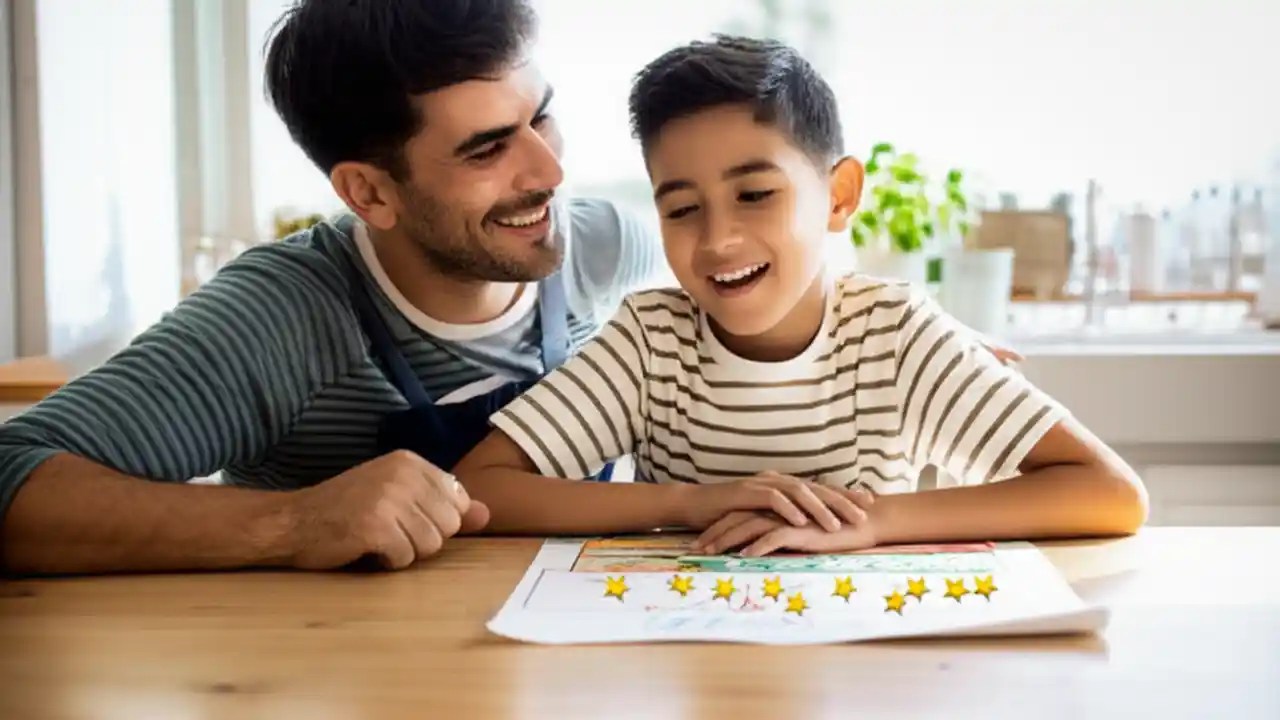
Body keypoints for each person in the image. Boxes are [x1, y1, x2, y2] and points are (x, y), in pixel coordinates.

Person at [0, 0, 689, 576]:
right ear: (369, 192)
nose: (548, 173)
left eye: (540, 117)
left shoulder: (611, 250)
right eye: (486, 149)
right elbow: (13, 476)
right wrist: (292, 522)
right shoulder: (279, 317)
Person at [454, 35, 1149, 556]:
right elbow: (480, 488)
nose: (718, 239)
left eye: (755, 195)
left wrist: (872, 521)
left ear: (839, 196)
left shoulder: (894, 334)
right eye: (682, 209)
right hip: (693, 654)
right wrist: (693, 504)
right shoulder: (650, 340)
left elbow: (1110, 494)